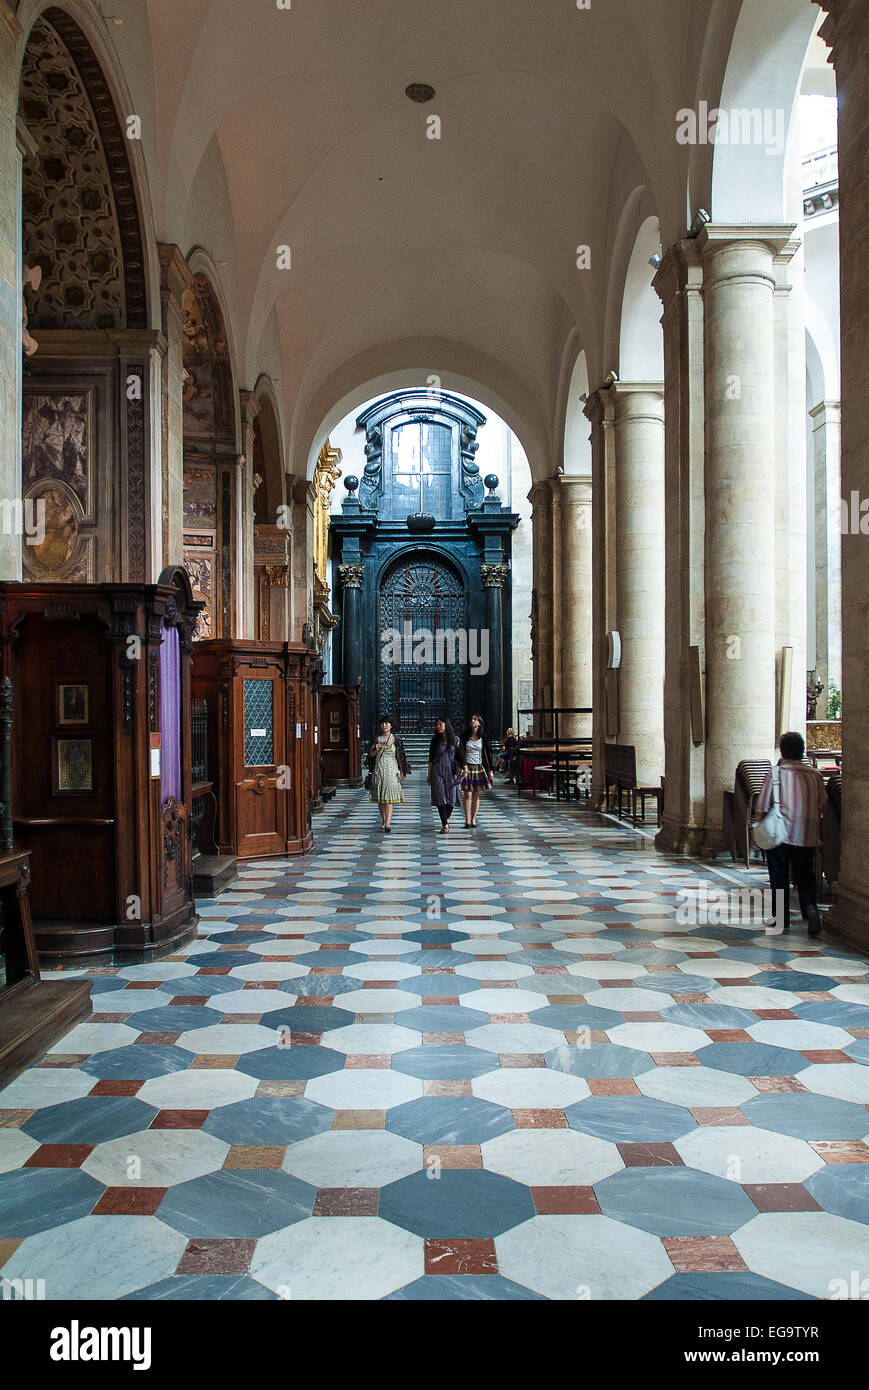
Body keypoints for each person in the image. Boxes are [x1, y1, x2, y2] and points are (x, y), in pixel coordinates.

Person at [757, 730, 828, 936]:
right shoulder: (815, 775)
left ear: (783, 751)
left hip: (781, 833)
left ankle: (781, 918)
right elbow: (822, 803)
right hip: (808, 833)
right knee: (805, 874)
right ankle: (811, 909)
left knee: (779, 874)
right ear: (802, 750)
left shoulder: (776, 773)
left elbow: (762, 806)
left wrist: (758, 831)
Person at [368, 716, 409, 831]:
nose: (384, 725)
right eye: (382, 723)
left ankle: (388, 823)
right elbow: (370, 755)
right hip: (379, 769)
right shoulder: (377, 738)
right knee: (380, 797)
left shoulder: (396, 739)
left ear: (391, 725)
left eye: (387, 723)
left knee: (389, 797)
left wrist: (401, 771)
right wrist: (376, 748)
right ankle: (384, 820)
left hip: (391, 769)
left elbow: (400, 756)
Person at [457, 712, 494, 828]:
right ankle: (467, 820)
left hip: (478, 767)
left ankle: (473, 819)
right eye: (471, 719)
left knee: (476, 795)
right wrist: (462, 767)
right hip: (467, 767)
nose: (472, 721)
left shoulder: (483, 737)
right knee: (467, 794)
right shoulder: (464, 736)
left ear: (479, 723)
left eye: (475, 719)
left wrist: (490, 770)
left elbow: (488, 754)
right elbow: (460, 752)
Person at [427, 716, 461, 833]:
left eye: (440, 724)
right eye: (437, 724)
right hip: (437, 771)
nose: (438, 726)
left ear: (446, 725)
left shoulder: (455, 740)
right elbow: (431, 759)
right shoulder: (435, 740)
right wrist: (429, 774)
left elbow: (460, 756)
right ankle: (445, 825)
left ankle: (446, 818)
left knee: (451, 799)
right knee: (441, 797)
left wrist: (464, 768)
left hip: (451, 771)